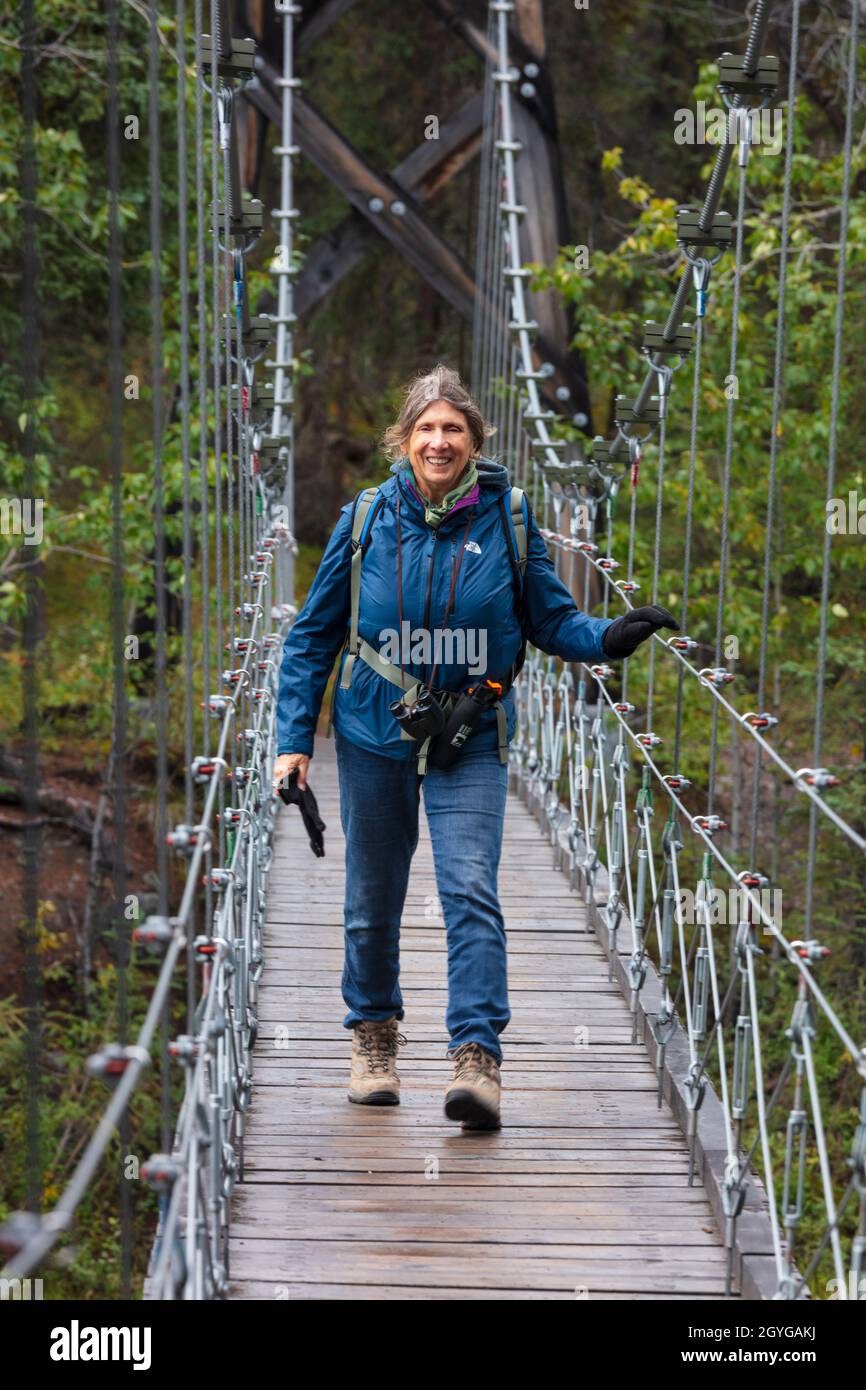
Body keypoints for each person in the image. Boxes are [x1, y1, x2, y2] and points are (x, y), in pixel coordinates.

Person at [272, 364, 676, 1129]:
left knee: (470, 893)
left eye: (452, 429)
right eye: (425, 428)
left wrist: (610, 639)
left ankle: (476, 1058)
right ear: (405, 440)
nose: (439, 441)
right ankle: (375, 1039)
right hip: (373, 729)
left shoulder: (509, 519)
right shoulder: (365, 520)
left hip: (472, 734)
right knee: (370, 900)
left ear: (473, 442)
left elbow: (552, 623)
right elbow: (312, 638)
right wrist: (295, 740)